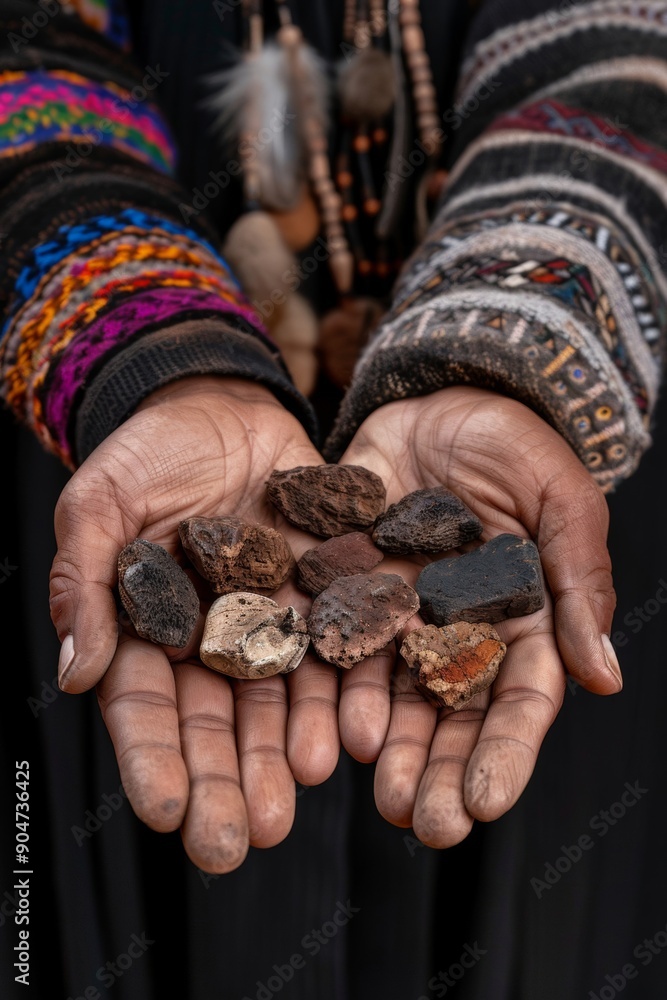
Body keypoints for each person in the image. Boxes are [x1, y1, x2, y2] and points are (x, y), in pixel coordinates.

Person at [1, 1, 665, 997]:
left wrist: (512, 342)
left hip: (536, 437)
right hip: (107, 425)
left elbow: (632, 46)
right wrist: (148, 341)